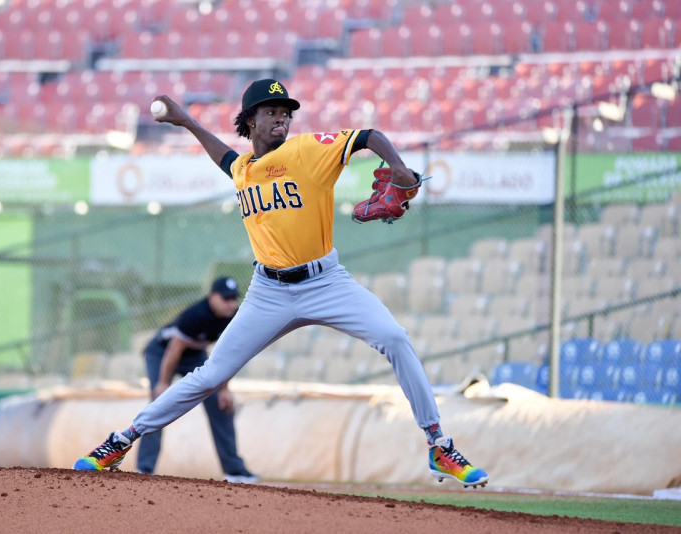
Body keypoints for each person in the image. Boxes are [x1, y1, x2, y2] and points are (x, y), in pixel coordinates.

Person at [74, 79, 489, 488]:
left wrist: (398, 168)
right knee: (210, 374)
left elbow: (367, 135)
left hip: (326, 282)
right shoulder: (243, 170)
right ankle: (122, 440)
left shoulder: (307, 151)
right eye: (271, 112)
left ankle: (438, 444)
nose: (281, 119)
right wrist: (187, 123)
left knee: (395, 338)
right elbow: (223, 157)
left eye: (285, 113)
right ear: (250, 121)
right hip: (267, 291)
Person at [136, 276, 257, 483]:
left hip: (194, 354)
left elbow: (228, 355)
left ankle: (235, 471)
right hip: (162, 353)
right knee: (159, 404)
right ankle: (144, 469)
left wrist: (224, 389)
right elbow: (174, 349)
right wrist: (163, 383)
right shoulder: (196, 315)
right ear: (212, 297)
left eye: (233, 299)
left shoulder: (232, 317)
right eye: (225, 298)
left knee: (220, 404)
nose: (231, 303)